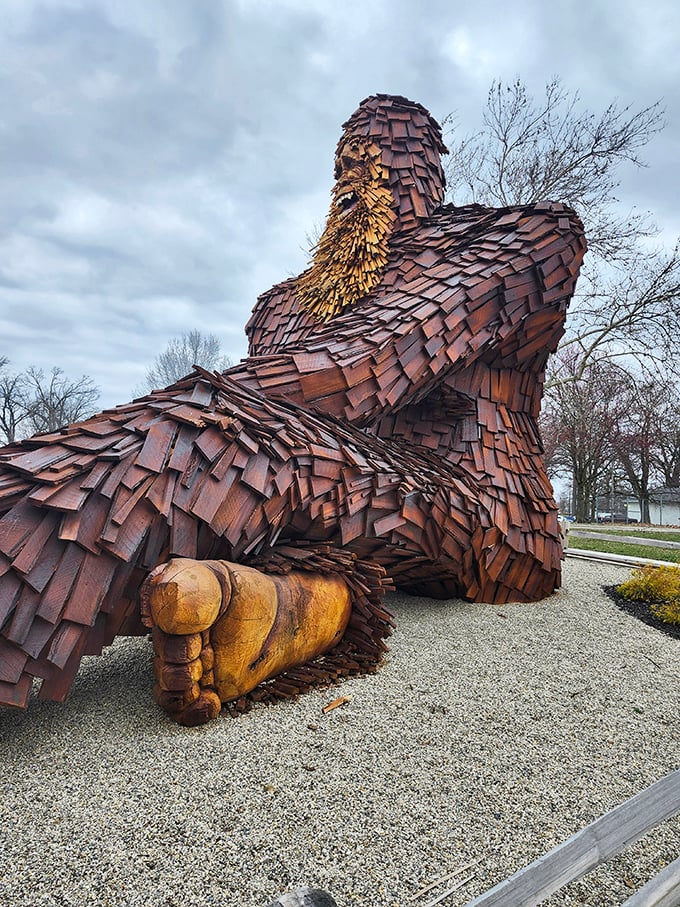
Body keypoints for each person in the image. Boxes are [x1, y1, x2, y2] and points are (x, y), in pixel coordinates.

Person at [0, 95, 586, 713]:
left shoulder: (518, 241)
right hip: (355, 509)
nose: (362, 179)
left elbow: (363, 370)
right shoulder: (284, 303)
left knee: (217, 440)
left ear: (430, 174)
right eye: (348, 165)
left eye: (387, 162)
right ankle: (296, 605)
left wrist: (188, 409)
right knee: (223, 462)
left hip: (488, 521)